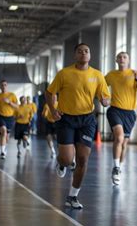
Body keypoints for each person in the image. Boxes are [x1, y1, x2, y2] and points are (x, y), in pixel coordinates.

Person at [46, 43, 110, 209]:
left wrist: (105, 101)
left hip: (87, 120)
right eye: (80, 51)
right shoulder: (64, 74)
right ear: (75, 55)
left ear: (90, 55)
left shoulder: (97, 75)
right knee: (67, 159)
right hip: (66, 119)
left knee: (82, 159)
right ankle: (61, 162)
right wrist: (53, 110)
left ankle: (72, 196)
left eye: (86, 51)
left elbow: (106, 97)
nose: (83, 53)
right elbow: (49, 92)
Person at [105, 51, 137, 185]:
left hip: (129, 113)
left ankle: (119, 168)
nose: (122, 59)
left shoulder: (135, 74)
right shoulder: (111, 75)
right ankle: (116, 167)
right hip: (115, 110)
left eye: (125, 57)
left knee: (124, 144)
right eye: (120, 57)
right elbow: (101, 88)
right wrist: (104, 98)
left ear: (128, 60)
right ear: (116, 60)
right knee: (119, 137)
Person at [0, 79, 19, 159]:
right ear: (0, 86)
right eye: (2, 85)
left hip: (10, 118)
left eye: (5, 85)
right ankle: (2, 152)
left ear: (7, 86)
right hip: (1, 116)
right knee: (3, 131)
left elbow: (17, 106)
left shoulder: (12, 95)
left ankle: (4, 147)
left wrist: (9, 102)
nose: (3, 86)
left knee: (6, 137)